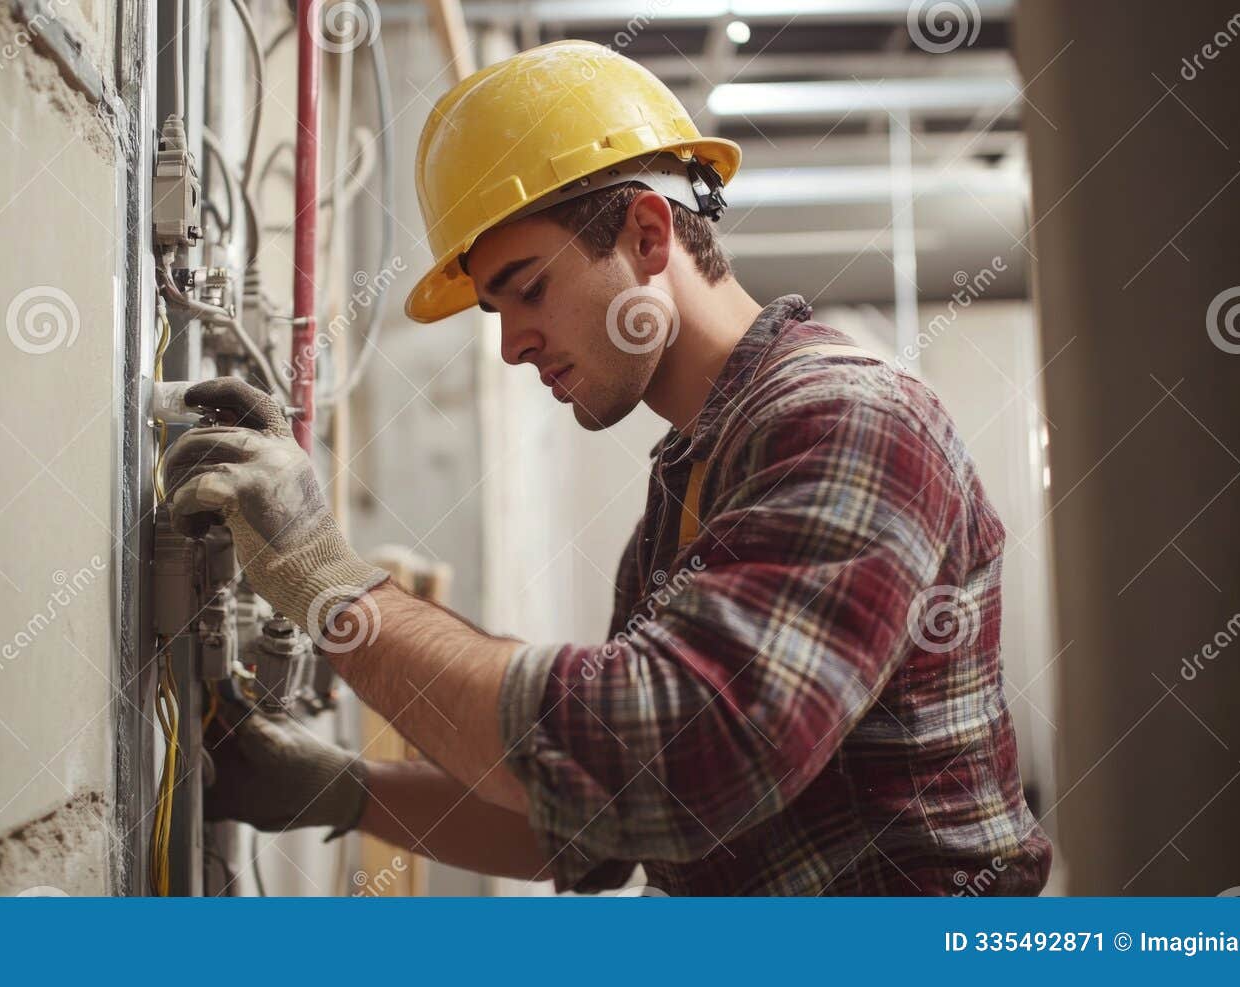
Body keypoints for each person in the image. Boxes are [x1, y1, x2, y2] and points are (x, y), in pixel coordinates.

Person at [164, 40, 1051, 896]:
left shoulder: (850, 418)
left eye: (528, 287)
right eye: (494, 307)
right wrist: (337, 787)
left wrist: (327, 581)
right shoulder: (695, 473)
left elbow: (681, 758)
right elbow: (597, 826)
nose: (510, 345)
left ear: (648, 232)